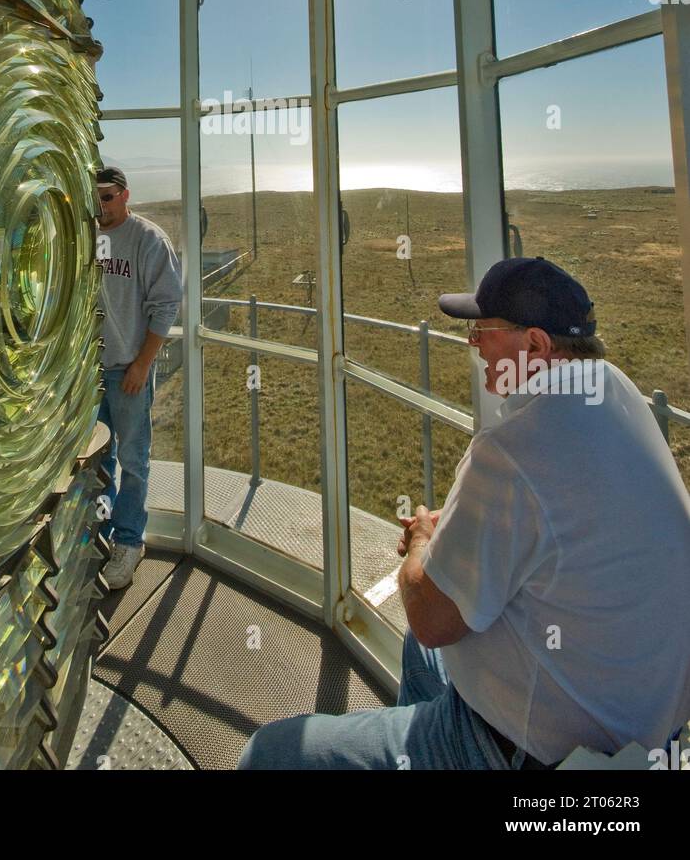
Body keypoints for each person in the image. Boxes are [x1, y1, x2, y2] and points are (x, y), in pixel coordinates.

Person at [238, 256, 690, 769]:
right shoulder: (613, 389)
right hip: (643, 727)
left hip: (540, 752)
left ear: (537, 346)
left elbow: (433, 619)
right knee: (419, 651)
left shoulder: (515, 449)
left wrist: (423, 544)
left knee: (266, 756)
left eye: (483, 332)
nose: (472, 346)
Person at [95, 165, 182, 588]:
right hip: (88, 374)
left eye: (108, 196)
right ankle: (99, 535)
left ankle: (129, 540)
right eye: (94, 197)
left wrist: (142, 365)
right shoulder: (88, 238)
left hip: (126, 371)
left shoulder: (149, 241)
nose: (101, 205)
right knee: (96, 460)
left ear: (126, 195)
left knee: (132, 460)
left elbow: (166, 306)